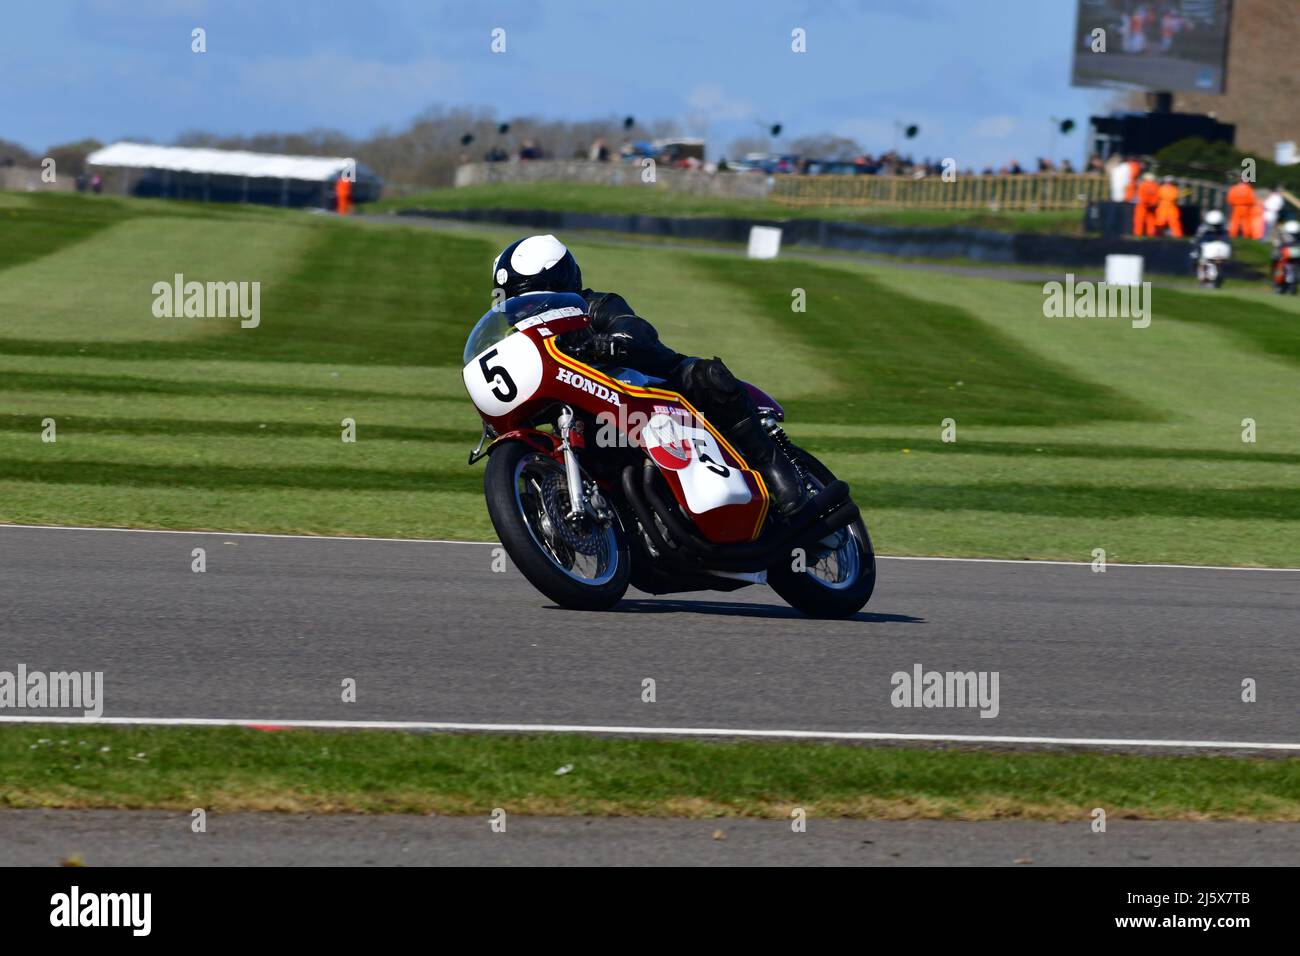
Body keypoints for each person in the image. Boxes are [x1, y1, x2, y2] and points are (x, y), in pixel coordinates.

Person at [488, 235, 813, 518]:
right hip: (596, 421)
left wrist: (615, 341)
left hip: (659, 390)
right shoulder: (528, 341)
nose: (523, 308)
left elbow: (634, 327)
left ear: (559, 282)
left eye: (529, 296)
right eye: (514, 300)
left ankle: (774, 469)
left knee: (707, 375)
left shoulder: (595, 306)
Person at [1134, 172, 1160, 237]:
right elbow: (1157, 196)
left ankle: (1138, 234)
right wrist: (1153, 203)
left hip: (1143, 205)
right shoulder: (1155, 185)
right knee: (1151, 220)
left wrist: (1146, 202)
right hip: (1151, 205)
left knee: (1139, 220)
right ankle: (1151, 233)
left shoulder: (1143, 185)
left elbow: (1141, 196)